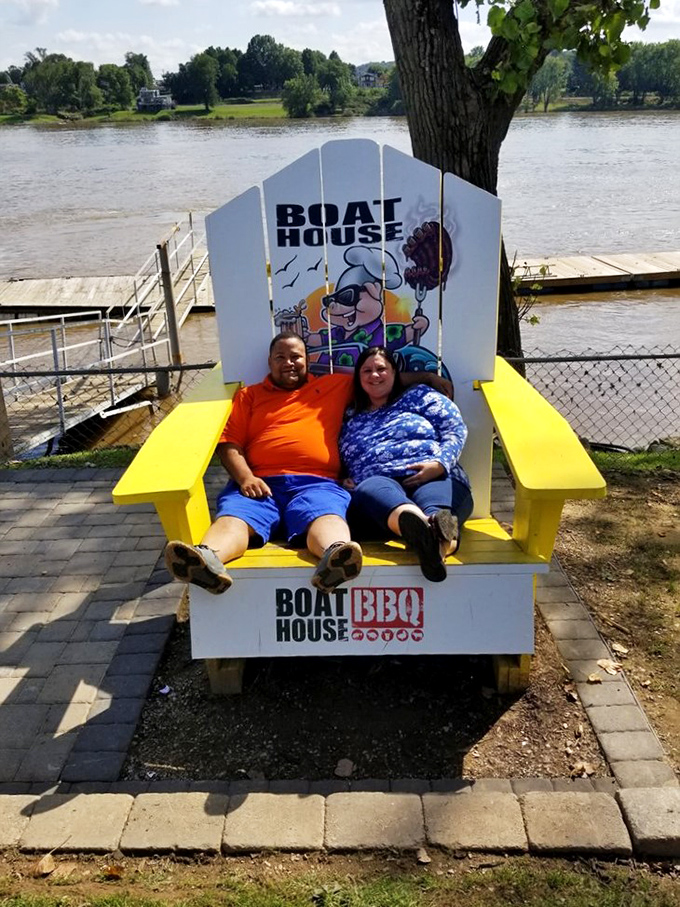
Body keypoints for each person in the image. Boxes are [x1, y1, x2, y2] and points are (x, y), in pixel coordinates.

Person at [164, 332, 451, 596]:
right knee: (235, 518)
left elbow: (377, 379)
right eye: (281, 357)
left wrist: (426, 376)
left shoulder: (333, 386)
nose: (289, 363)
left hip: (317, 481)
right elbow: (230, 445)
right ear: (269, 362)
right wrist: (245, 478)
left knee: (324, 515)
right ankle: (207, 559)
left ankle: (336, 556)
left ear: (307, 360)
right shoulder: (249, 396)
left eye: (296, 357)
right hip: (260, 483)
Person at [339, 346, 473, 583]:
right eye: (366, 371)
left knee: (440, 510)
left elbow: (455, 429)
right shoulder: (351, 415)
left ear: (395, 373)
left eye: (381, 369)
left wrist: (440, 464)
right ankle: (427, 534)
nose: (374, 375)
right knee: (370, 488)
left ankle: (431, 535)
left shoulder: (420, 396)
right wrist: (345, 476)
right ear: (358, 379)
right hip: (381, 484)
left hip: (432, 472)